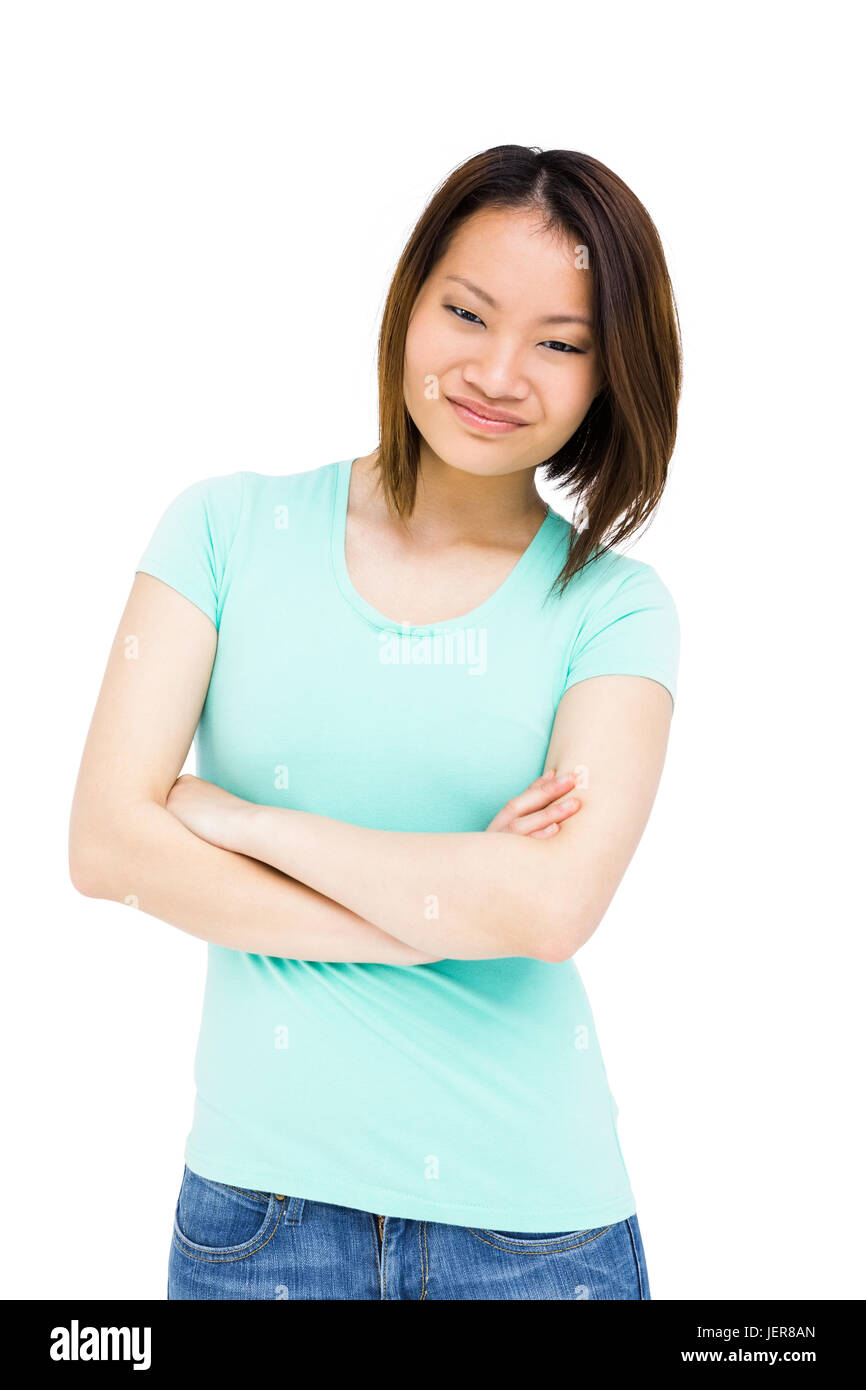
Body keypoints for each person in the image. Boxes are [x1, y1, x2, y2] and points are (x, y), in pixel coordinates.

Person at [69, 144, 681, 1300]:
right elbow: (107, 849)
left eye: (559, 343)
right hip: (258, 1223)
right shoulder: (223, 532)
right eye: (467, 313)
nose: (499, 371)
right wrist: (436, 914)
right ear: (408, 302)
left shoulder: (614, 609)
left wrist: (244, 821)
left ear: (612, 376)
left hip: (534, 1237)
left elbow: (548, 907)